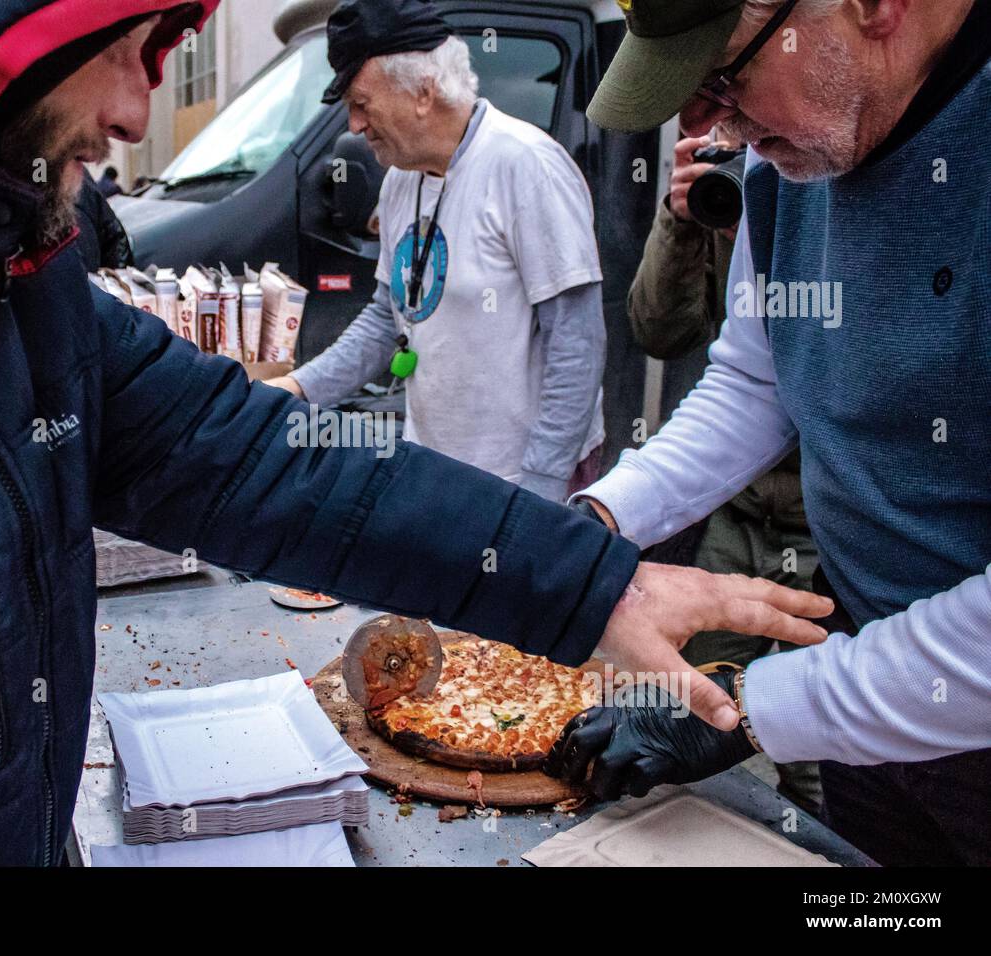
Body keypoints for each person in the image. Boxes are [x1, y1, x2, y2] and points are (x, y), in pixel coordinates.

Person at [0, 0, 828, 864]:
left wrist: (589, 577)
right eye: (125, 48)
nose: (138, 115)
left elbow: (256, 457)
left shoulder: (16, 274)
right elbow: (375, 333)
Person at [554, 0, 991, 865]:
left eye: (724, 76)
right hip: (861, 670)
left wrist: (756, 706)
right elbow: (758, 381)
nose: (710, 124)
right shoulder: (788, 154)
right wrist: (599, 519)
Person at [267, 0, 606, 502]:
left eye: (362, 103)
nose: (354, 125)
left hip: (521, 480)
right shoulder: (400, 179)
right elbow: (386, 320)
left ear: (423, 92)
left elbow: (576, 344)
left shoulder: (527, 165)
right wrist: (297, 389)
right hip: (435, 465)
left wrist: (543, 489)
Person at [627, 131, 820, 813]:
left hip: (825, 530)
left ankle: (814, 844)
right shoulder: (722, 200)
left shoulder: (817, 182)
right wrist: (682, 222)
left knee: (815, 748)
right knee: (699, 705)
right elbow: (658, 331)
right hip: (737, 516)